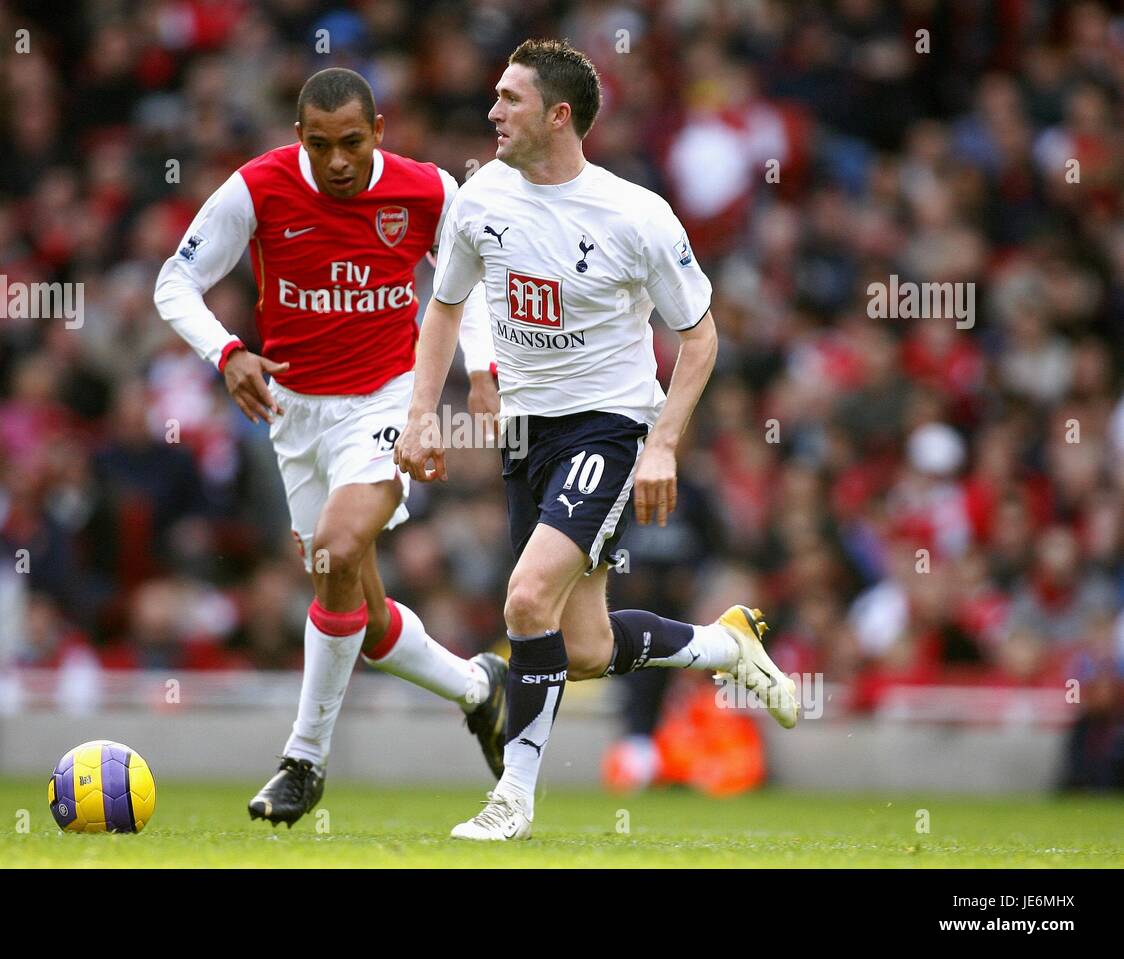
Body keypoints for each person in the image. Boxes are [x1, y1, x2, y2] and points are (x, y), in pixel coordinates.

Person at [395, 39, 798, 841]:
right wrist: (421, 410)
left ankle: (513, 799)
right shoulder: (479, 200)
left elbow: (702, 337)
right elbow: (445, 306)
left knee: (523, 599)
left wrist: (662, 444)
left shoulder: (635, 215)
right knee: (582, 646)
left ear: (559, 114)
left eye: (510, 99)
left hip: (609, 427)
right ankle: (722, 643)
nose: (492, 112)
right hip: (525, 433)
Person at [154, 67, 507, 829]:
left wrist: (481, 371)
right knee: (361, 613)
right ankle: (481, 686)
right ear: (299, 138)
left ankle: (305, 759)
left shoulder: (428, 191)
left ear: (379, 132)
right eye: (320, 146)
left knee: (340, 549)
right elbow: (174, 284)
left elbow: (465, 283)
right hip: (294, 417)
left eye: (352, 142)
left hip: (385, 404)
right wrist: (227, 352)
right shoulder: (259, 188)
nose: (338, 161)